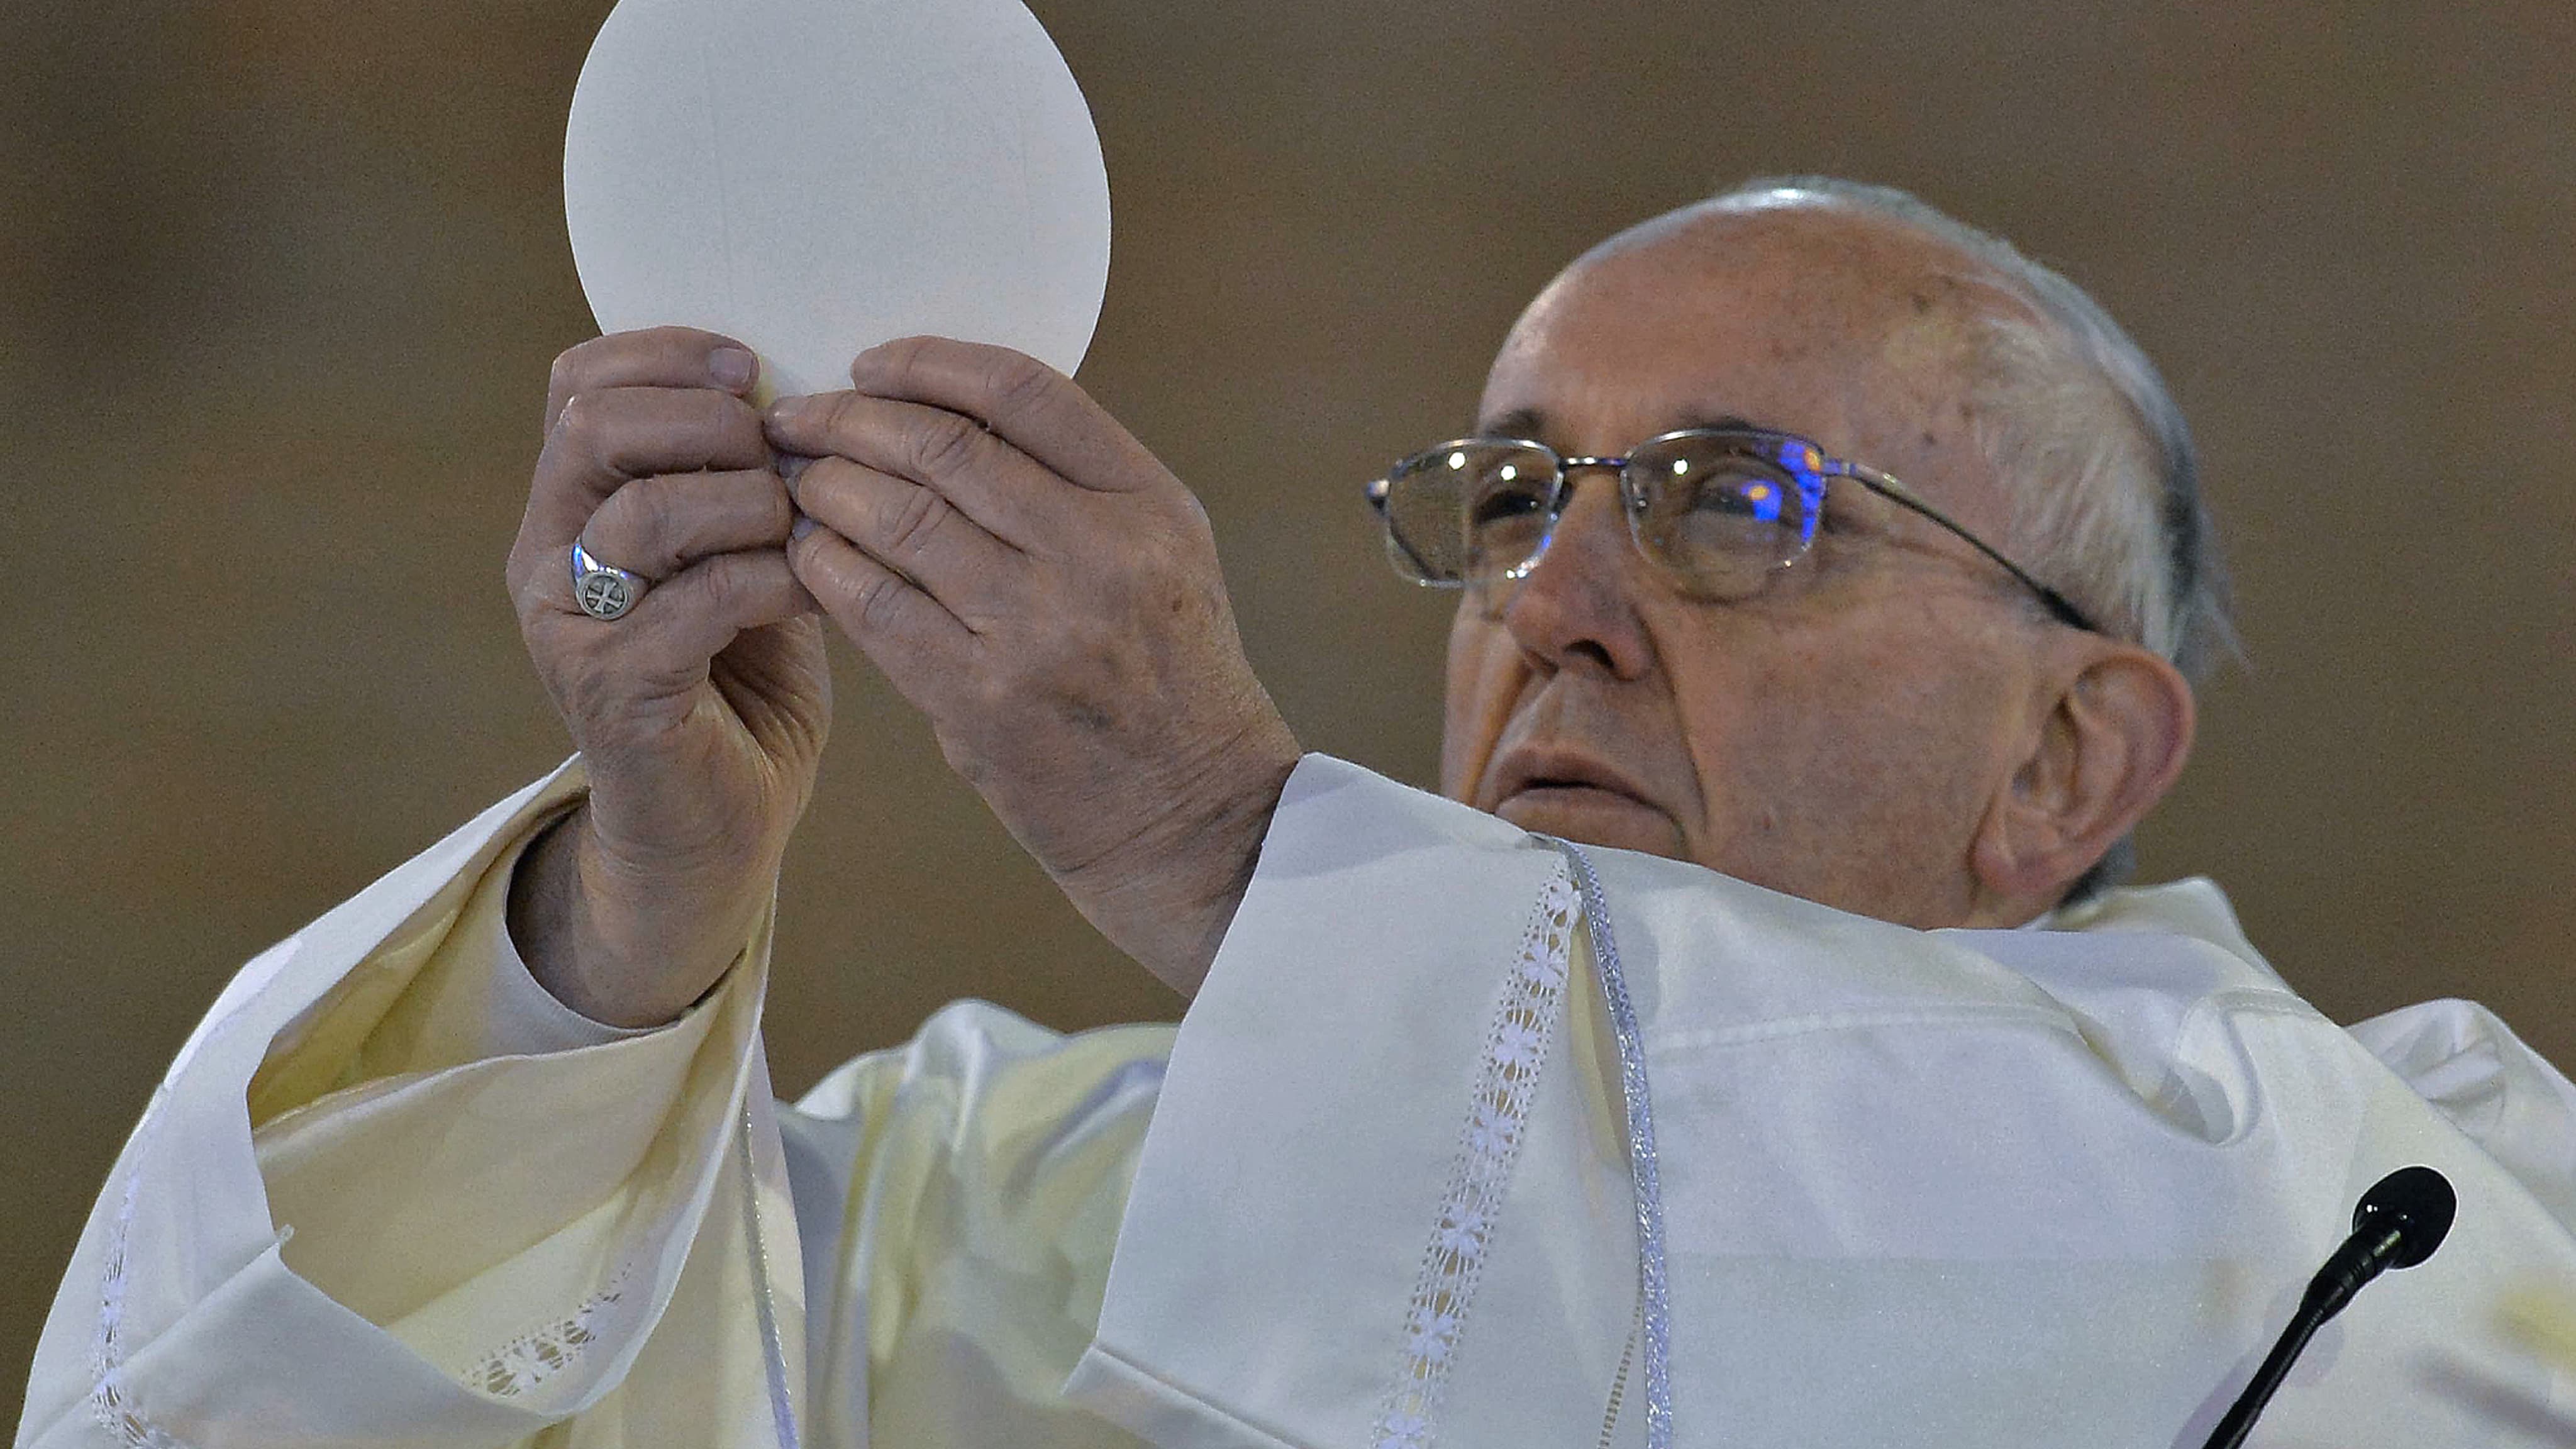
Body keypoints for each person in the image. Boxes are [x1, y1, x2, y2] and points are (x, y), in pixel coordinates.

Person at [18, 178, 2576, 1448]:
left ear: (2068, 758)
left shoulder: (2400, 1198)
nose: (1555, 602)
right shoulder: (1011, 1202)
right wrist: (623, 921)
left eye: (1729, 505)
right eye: (1508, 500)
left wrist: (1215, 834)